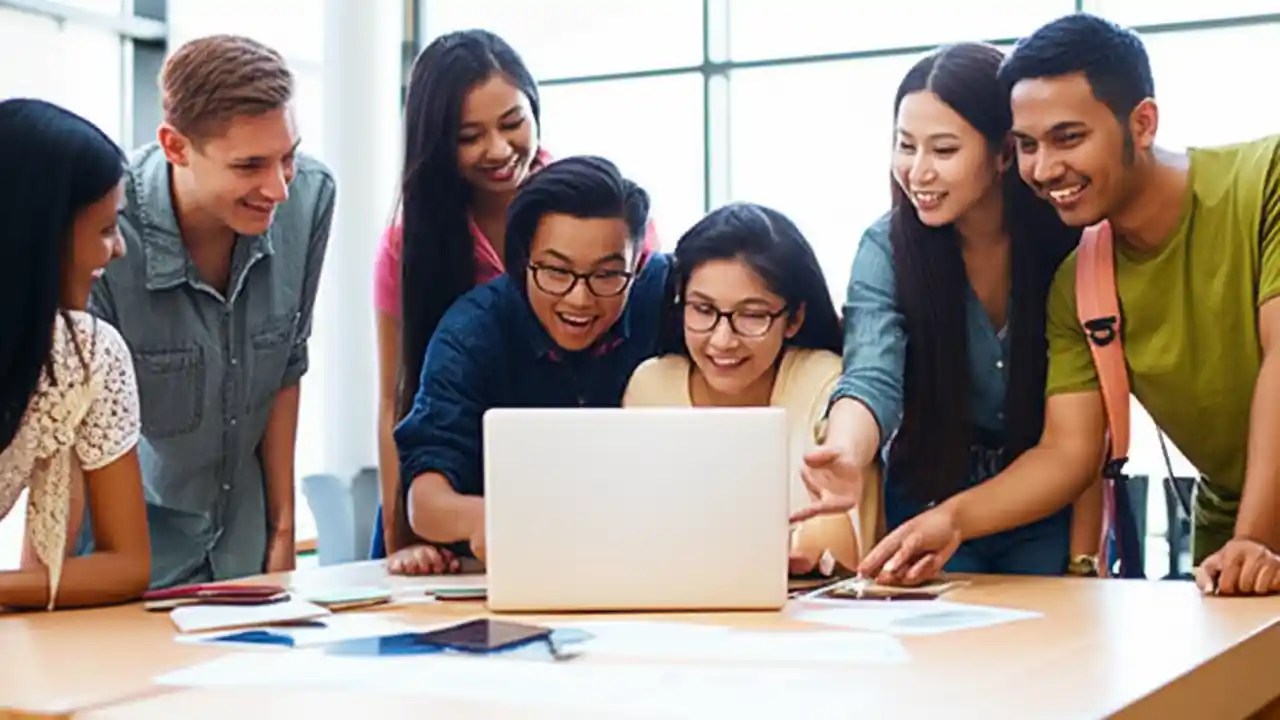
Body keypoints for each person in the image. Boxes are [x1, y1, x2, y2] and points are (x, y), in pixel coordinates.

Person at [855, 14, 1280, 596]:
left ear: (1143, 122)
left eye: (1068, 138)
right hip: (1231, 538)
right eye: (1027, 145)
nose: (1044, 168)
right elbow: (1068, 451)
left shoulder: (1265, 181)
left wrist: (1257, 538)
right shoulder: (1079, 279)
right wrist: (950, 519)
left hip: (1253, 536)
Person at [794, 42, 1087, 576]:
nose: (918, 172)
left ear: (1003, 153)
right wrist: (846, 451)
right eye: (906, 146)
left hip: (1043, 500)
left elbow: (1090, 425)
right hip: (927, 505)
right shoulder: (886, 248)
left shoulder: (1064, 241)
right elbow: (871, 375)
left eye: (943, 150)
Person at [373, 30, 657, 573]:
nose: (499, 151)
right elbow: (397, 397)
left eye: (511, 123)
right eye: (469, 135)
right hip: (464, 495)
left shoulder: (598, 208)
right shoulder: (420, 255)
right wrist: (403, 537)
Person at [89, 35, 336, 588]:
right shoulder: (104, 226)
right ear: (176, 147)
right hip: (129, 565)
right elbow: (79, 422)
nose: (277, 188)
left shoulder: (312, 196)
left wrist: (282, 531)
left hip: (247, 558)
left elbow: (287, 363)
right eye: (250, 165)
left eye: (288, 156)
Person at [394, 155, 670, 564]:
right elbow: (427, 502)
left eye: (607, 275)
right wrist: (499, 521)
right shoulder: (471, 332)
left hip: (641, 560)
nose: (580, 299)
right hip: (502, 570)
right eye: (556, 271)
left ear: (638, 263)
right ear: (522, 261)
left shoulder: (666, 299)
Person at [623, 202, 877, 575]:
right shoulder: (652, 384)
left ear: (794, 319)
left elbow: (839, 553)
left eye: (753, 315)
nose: (723, 340)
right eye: (703, 310)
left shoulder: (823, 381)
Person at [0, 98, 150, 609]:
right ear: (39, 235)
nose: (119, 249)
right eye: (106, 229)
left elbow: (127, 565)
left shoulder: (87, 355)